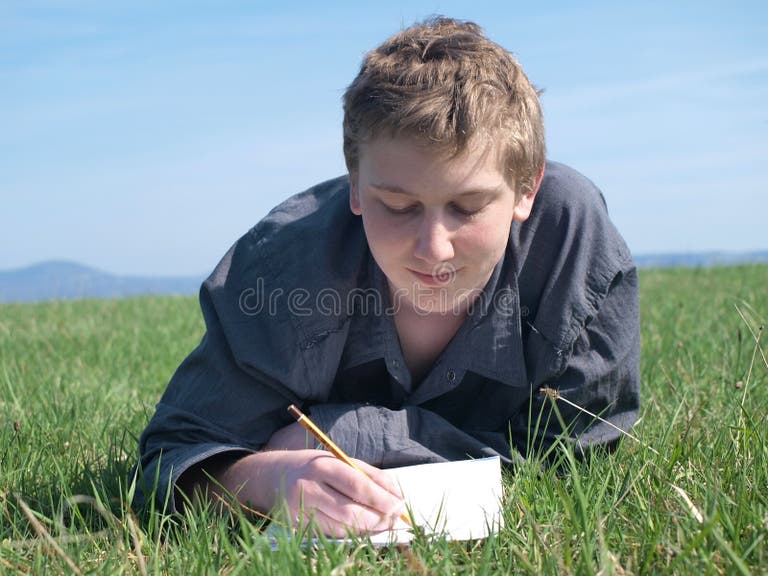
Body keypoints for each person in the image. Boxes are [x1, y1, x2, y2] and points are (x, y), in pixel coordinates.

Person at [133, 16, 640, 537]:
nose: (433, 248)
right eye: (398, 206)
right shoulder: (285, 268)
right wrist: (266, 480)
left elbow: (579, 455)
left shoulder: (572, 247)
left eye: (468, 207)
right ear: (355, 185)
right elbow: (173, 457)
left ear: (526, 189)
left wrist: (357, 432)